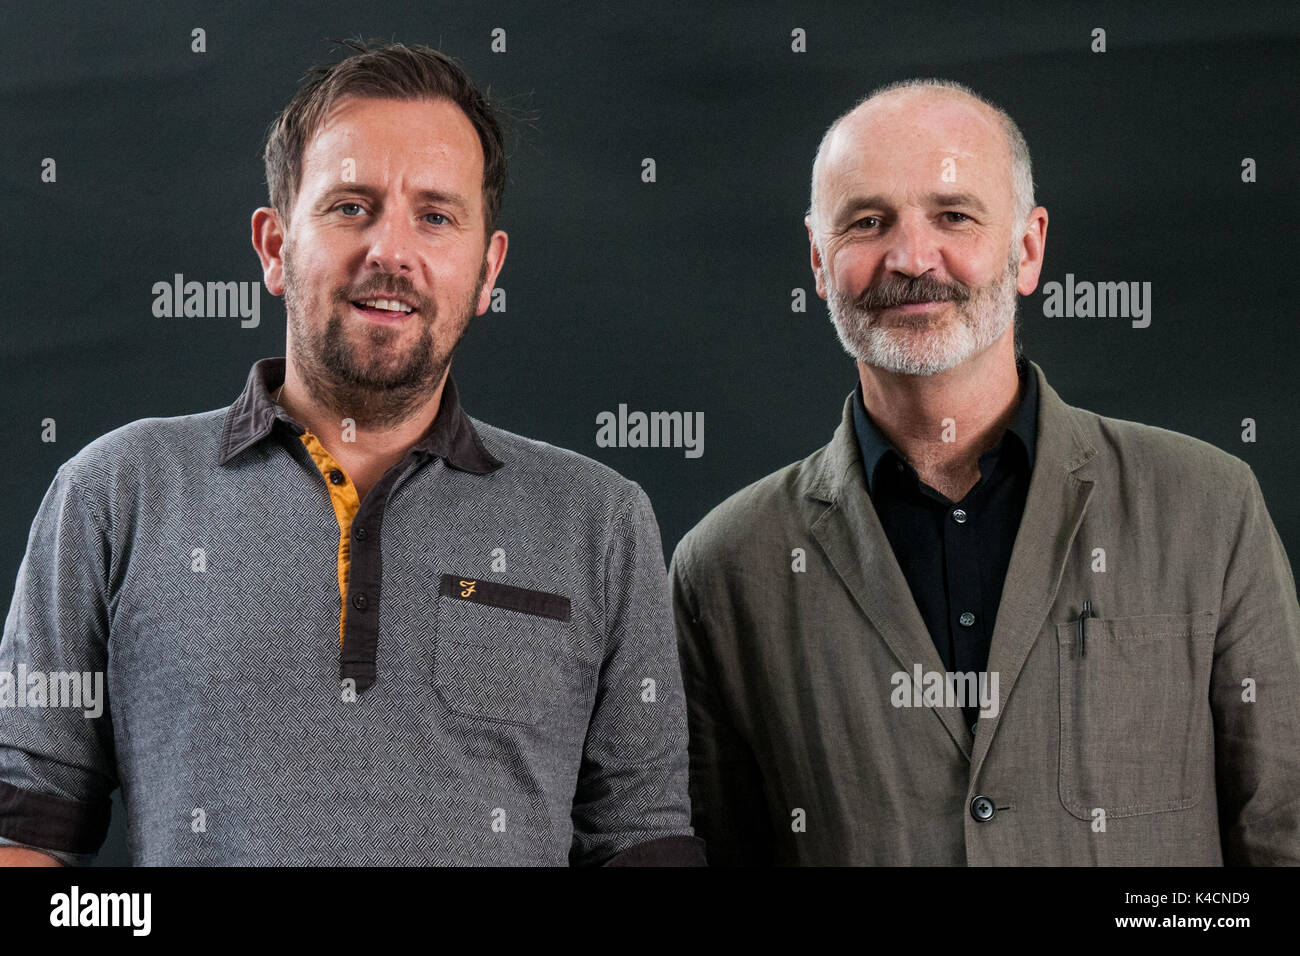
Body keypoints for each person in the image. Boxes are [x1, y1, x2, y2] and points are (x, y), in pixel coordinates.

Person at [0, 41, 702, 866]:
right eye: (350, 206)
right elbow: (24, 831)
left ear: (487, 269)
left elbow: (642, 840)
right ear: (273, 247)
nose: (391, 252)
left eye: (436, 217)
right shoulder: (113, 494)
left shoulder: (600, 520)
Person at [670, 78, 1300, 865]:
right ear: (819, 261)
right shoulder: (725, 567)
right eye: (867, 222)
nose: (909, 257)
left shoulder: (1210, 508)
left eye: (953, 216)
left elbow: (1282, 832)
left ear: (1027, 248)